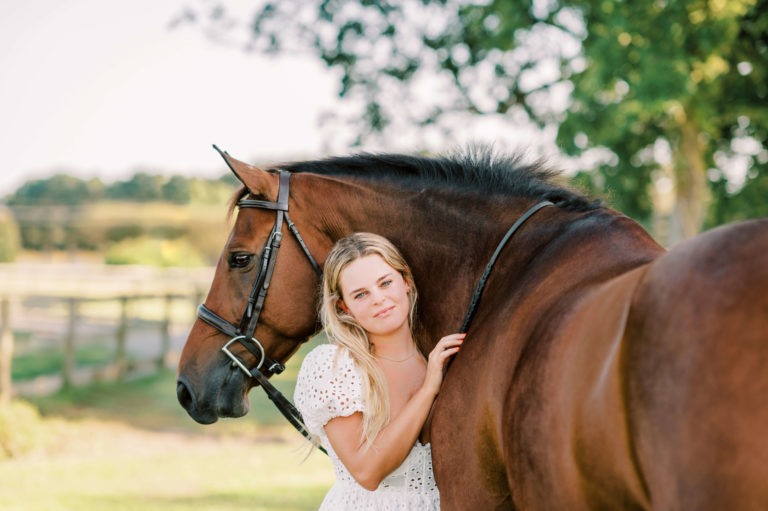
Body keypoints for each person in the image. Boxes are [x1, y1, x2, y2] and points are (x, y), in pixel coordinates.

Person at [294, 232, 464, 510]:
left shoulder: (441, 361)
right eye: (361, 294)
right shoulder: (335, 367)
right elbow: (367, 472)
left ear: (406, 281)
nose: (379, 299)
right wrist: (428, 390)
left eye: (386, 283)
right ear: (344, 307)